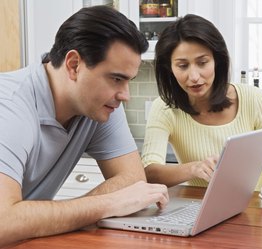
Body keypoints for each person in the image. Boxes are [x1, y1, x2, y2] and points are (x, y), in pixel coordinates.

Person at [0, 6, 169, 247]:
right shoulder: (9, 107)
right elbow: (4, 222)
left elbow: (133, 180)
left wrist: (43, 217)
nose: (125, 95)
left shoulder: (99, 105)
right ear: (74, 65)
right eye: (116, 78)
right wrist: (107, 204)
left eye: (128, 81)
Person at [141, 14, 262, 199]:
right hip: (202, 208)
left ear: (217, 61)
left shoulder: (253, 98)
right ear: (169, 69)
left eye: (202, 63)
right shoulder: (164, 109)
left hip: (259, 206)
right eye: (182, 66)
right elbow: (149, 172)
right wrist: (193, 168)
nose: (194, 76)